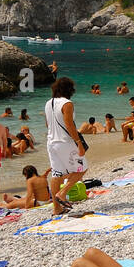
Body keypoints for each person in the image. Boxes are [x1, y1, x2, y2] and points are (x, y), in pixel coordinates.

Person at [45, 76, 87, 216]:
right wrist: (79, 143)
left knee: (57, 174)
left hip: (51, 142)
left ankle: (56, 209)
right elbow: (69, 124)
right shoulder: (67, 103)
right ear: (69, 89)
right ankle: (62, 194)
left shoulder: (48, 103)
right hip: (65, 142)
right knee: (82, 168)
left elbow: (47, 124)